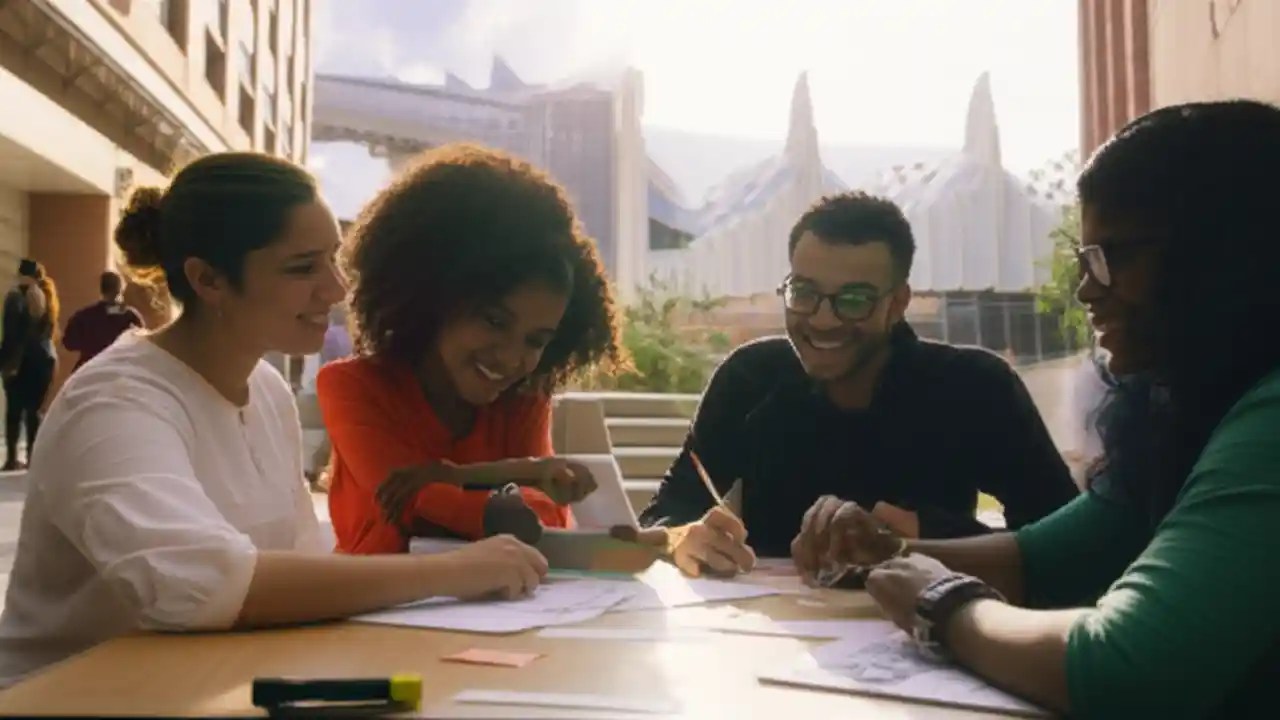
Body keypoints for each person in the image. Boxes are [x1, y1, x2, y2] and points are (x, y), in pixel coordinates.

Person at [0, 152, 549, 688]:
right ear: (209, 280)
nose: (335, 289)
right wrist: (454, 572)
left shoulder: (265, 391)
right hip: (72, 698)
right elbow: (201, 585)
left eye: (333, 259)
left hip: (211, 688)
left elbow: (299, 569)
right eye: (302, 267)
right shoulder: (114, 403)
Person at [825, 101, 1280, 718]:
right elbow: (1046, 559)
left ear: (1226, 258)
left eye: (1111, 257)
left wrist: (943, 605)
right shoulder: (1190, 407)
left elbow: (1128, 671)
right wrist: (884, 553)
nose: (1087, 288)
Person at [634, 192, 1077, 578]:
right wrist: (682, 538)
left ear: (898, 304)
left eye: (854, 301)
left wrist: (923, 535)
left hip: (930, 637)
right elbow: (665, 512)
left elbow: (1069, 544)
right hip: (769, 642)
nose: (824, 320)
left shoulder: (975, 388)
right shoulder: (750, 377)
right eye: (804, 293)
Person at [317, 144, 621, 555]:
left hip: (507, 610)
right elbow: (409, 503)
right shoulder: (350, 385)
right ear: (435, 296)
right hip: (377, 613)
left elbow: (546, 515)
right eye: (494, 321)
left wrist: (454, 481)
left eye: (536, 340)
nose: (513, 359)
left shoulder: (524, 399)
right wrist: (515, 488)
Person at [0, 259, 58, 471]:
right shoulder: (47, 296)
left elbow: (11, 334)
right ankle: (33, 458)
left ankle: (12, 458)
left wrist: (6, 362)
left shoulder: (15, 298)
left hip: (20, 360)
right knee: (34, 411)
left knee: (14, 410)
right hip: (44, 359)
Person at [63, 270, 145, 371]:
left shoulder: (84, 316)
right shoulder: (130, 317)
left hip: (89, 369)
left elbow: (69, 343)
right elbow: (142, 344)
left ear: (102, 289)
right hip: (120, 370)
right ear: (120, 289)